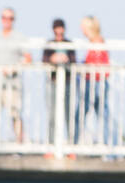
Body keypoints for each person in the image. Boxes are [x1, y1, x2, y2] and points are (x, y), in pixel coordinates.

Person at [0, 7, 32, 148]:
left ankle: (19, 147)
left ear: (14, 20)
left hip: (13, 84)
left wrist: (14, 68)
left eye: (10, 18)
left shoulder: (19, 37)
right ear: (1, 19)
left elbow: (28, 58)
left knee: (15, 115)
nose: (7, 20)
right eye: (4, 17)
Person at [74, 16, 114, 151]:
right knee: (102, 115)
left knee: (101, 115)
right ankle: (111, 147)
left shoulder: (97, 43)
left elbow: (99, 65)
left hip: (96, 83)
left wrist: (84, 69)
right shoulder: (94, 42)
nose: (81, 29)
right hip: (94, 82)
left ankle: (111, 148)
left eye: (83, 26)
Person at [41, 18, 76, 157]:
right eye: (57, 27)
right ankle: (51, 146)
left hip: (67, 83)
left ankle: (71, 148)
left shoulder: (69, 44)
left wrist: (65, 59)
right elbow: (44, 59)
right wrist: (52, 58)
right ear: (54, 29)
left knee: (68, 115)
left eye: (61, 27)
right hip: (52, 82)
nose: (59, 30)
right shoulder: (49, 44)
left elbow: (73, 59)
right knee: (52, 115)